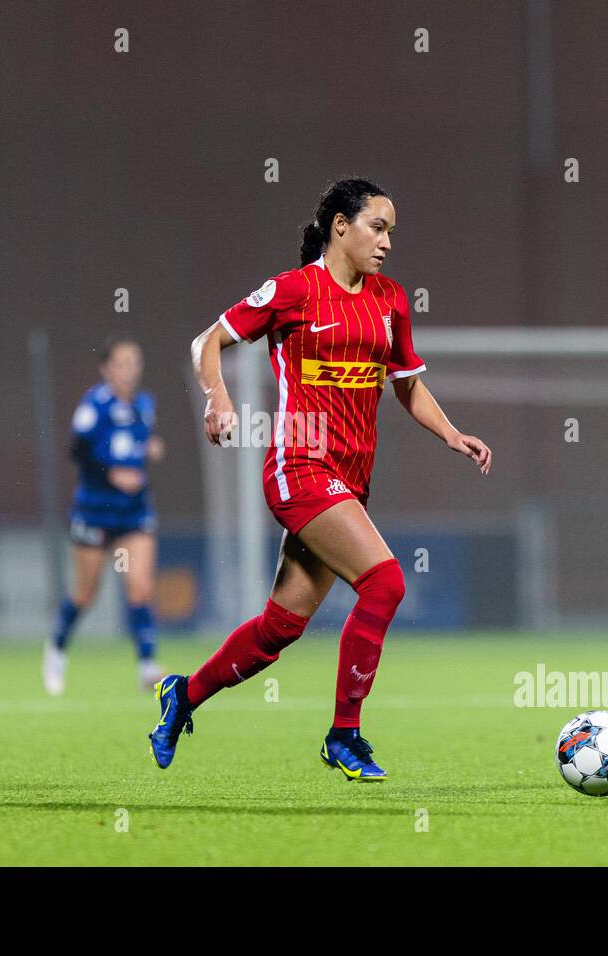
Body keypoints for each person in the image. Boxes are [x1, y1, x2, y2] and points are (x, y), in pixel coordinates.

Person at [149, 177, 491, 780]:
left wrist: (452, 434)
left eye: (391, 232)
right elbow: (210, 340)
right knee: (384, 583)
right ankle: (345, 734)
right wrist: (217, 397)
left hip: (351, 480)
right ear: (340, 226)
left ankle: (182, 694)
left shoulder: (391, 300)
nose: (386, 242)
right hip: (299, 466)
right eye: (376, 227)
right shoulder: (293, 290)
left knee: (279, 630)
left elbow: (406, 384)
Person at [44, 335, 165, 694]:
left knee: (141, 589)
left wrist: (151, 447)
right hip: (94, 513)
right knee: (85, 594)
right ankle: (56, 651)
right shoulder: (93, 405)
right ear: (106, 368)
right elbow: (77, 452)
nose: (129, 369)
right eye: (122, 362)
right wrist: (111, 474)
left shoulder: (145, 404)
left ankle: (146, 667)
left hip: (134, 512)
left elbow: (139, 444)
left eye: (135, 362)